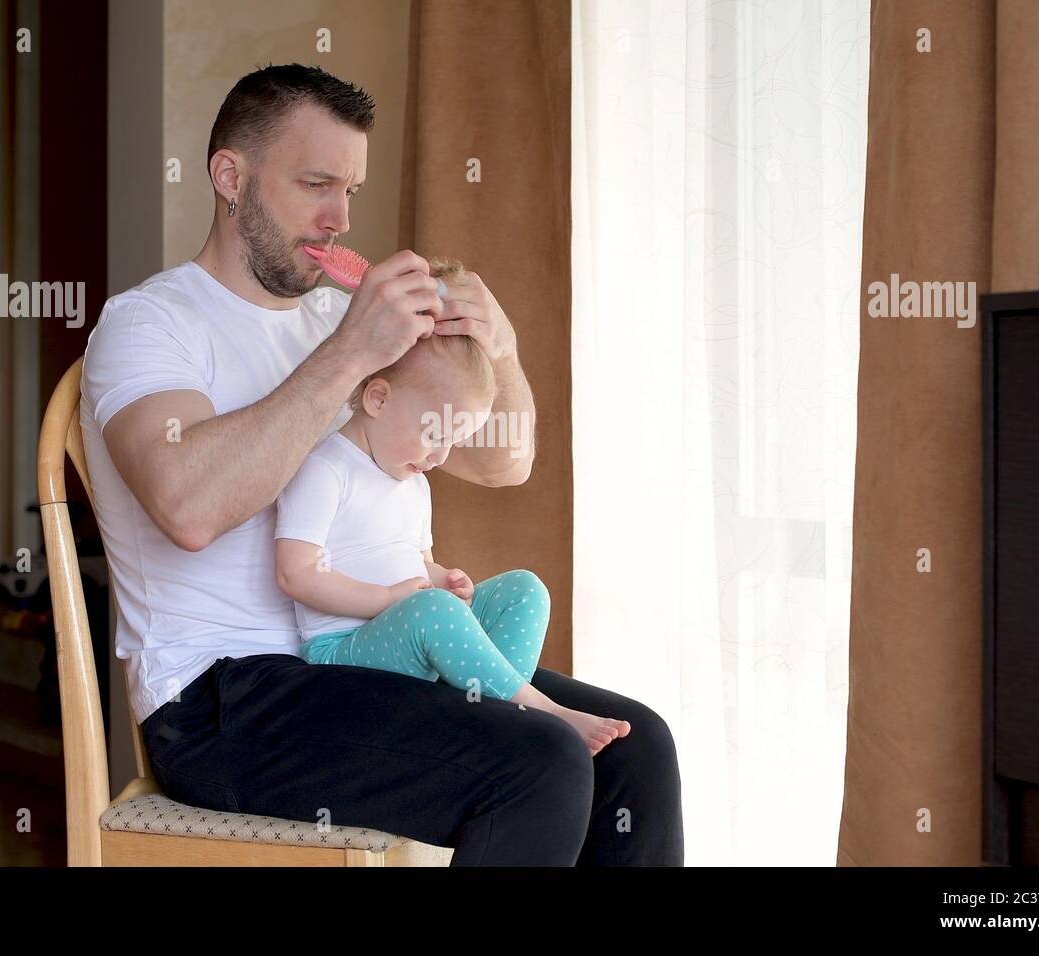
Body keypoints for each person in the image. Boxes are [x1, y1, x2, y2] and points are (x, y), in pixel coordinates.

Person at [80, 62, 683, 865]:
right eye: (316, 184)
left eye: (351, 191)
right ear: (231, 177)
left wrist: (498, 349)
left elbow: (504, 460)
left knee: (638, 751)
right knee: (537, 760)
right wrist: (348, 353)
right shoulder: (149, 325)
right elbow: (187, 506)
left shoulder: (345, 316)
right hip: (224, 700)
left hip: (366, 656)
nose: (338, 219)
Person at [274, 261, 632, 756]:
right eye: (436, 434)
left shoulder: (412, 477)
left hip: (409, 627)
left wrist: (440, 577)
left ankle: (488, 719)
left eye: (454, 441)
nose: (441, 456)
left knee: (524, 590)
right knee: (430, 611)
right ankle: (540, 712)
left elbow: (416, 563)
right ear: (378, 398)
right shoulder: (325, 468)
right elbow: (296, 575)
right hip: (344, 654)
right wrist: (392, 599)